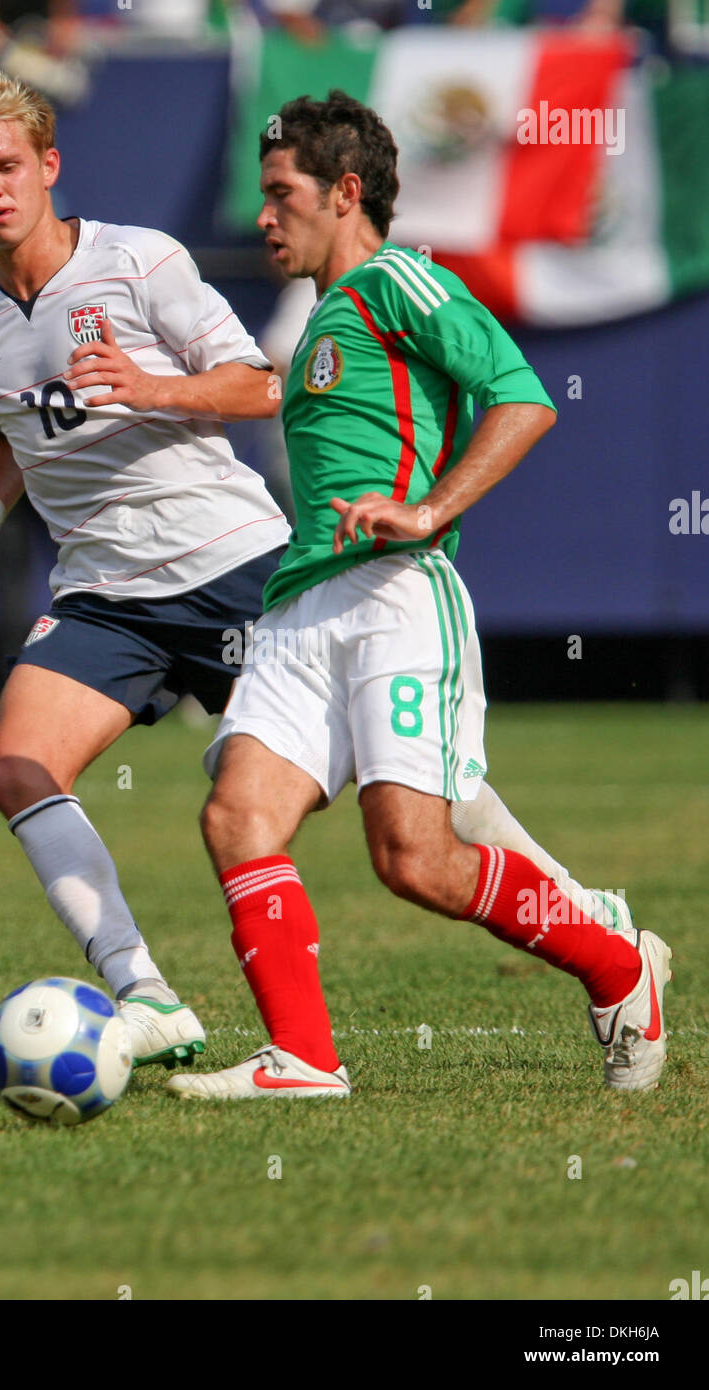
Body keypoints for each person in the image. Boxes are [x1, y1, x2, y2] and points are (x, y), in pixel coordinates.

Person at [167, 91, 671, 1100]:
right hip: (300, 612)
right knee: (235, 818)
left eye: (280, 195)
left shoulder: (400, 279)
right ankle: (303, 1059)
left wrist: (429, 507)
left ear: (344, 192)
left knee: (414, 858)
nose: (262, 217)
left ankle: (617, 969)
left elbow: (521, 397)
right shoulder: (317, 316)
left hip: (395, 596)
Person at [0, 67, 290, 1068]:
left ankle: (577, 916)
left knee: (399, 806)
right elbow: (5, 427)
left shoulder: (141, 262)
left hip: (230, 563)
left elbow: (259, 385)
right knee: (17, 766)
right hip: (103, 593)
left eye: (9, 165)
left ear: (49, 164)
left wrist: (149, 386)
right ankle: (143, 991)